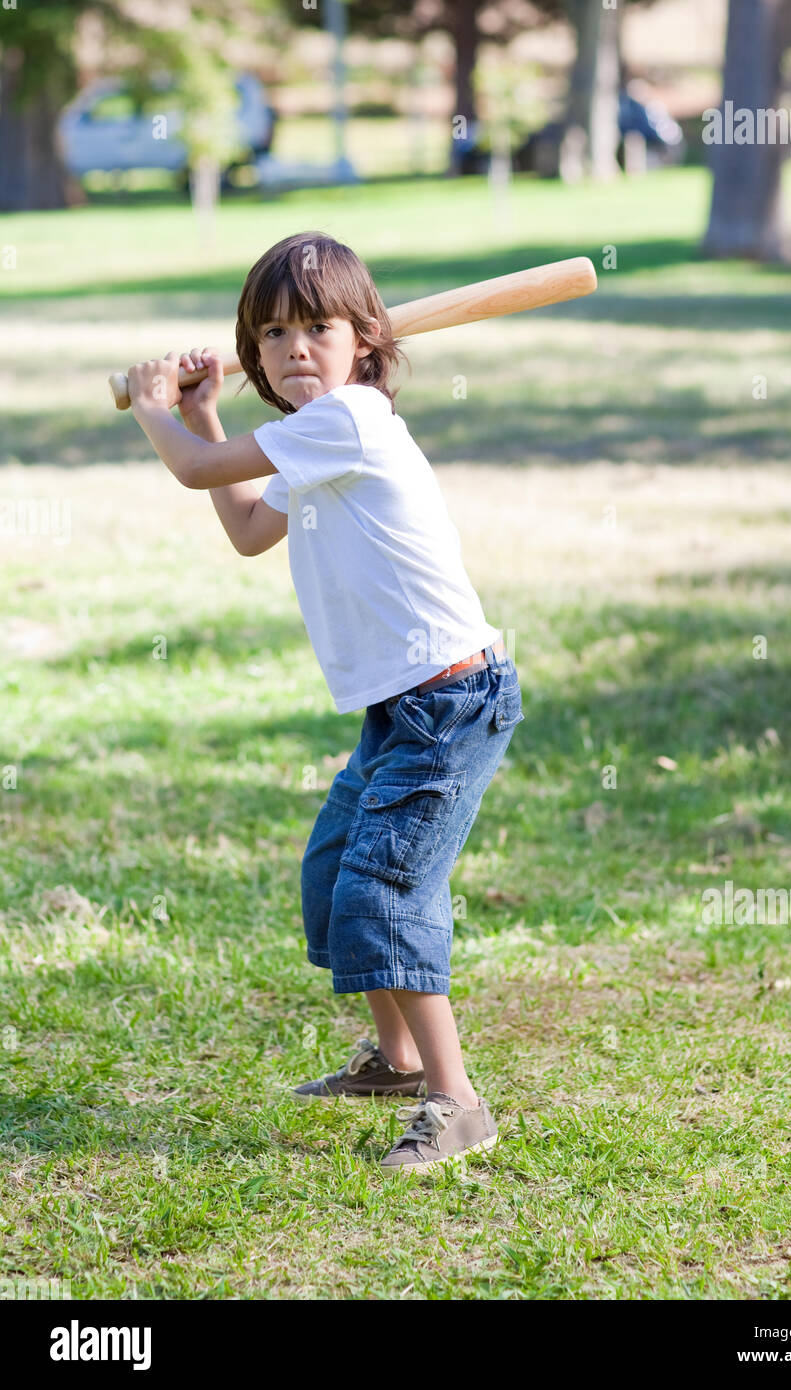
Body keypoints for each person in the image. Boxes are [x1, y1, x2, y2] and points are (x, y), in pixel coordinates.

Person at [127, 231, 525, 1174]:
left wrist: (157, 413)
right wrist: (208, 418)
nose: (295, 347)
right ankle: (395, 1061)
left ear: (364, 342)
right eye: (272, 333)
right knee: (336, 877)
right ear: (253, 354)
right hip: (399, 708)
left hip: (451, 702)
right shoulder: (315, 438)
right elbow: (248, 529)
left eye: (317, 327)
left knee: (383, 893)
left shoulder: (352, 419)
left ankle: (457, 1102)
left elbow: (187, 471)